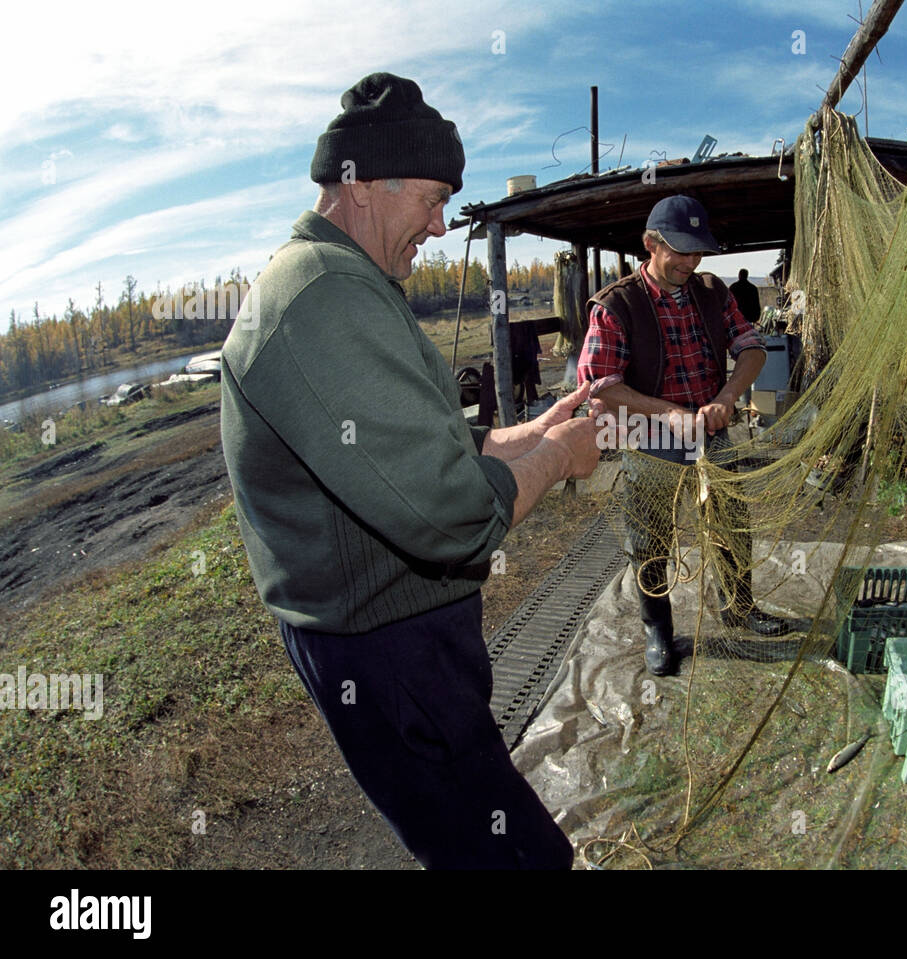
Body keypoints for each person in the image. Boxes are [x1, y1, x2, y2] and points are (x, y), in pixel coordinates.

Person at [220, 72, 602, 869]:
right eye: (431, 198)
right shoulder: (321, 297)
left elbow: (411, 448)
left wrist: (524, 434)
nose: (437, 223)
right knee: (515, 859)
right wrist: (561, 458)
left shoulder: (347, 282)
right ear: (362, 184)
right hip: (388, 656)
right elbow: (445, 511)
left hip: (394, 644)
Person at [577, 195, 792, 677]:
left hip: (712, 432)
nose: (691, 263)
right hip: (649, 439)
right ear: (651, 245)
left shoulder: (713, 291)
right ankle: (658, 628)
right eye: (680, 252)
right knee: (650, 535)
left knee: (731, 521)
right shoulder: (617, 304)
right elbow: (600, 383)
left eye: (698, 252)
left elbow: (752, 346)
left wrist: (730, 395)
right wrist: (669, 414)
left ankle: (739, 606)